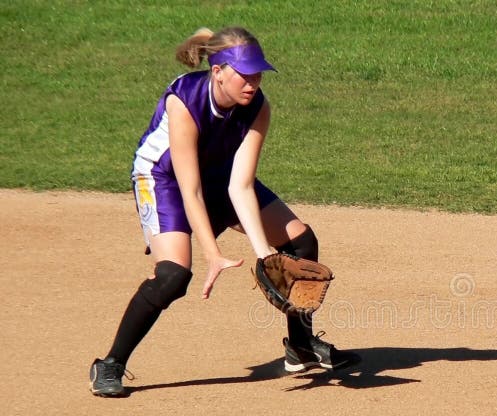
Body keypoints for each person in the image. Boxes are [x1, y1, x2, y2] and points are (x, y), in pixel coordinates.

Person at [90, 26, 359, 397]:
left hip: (220, 178)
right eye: (244, 75)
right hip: (163, 179)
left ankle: (300, 346)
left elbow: (241, 185)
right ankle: (110, 364)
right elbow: (190, 188)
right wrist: (212, 254)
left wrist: (265, 252)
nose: (253, 82)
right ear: (218, 72)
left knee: (301, 241)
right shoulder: (184, 100)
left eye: (258, 73)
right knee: (173, 275)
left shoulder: (259, 107)